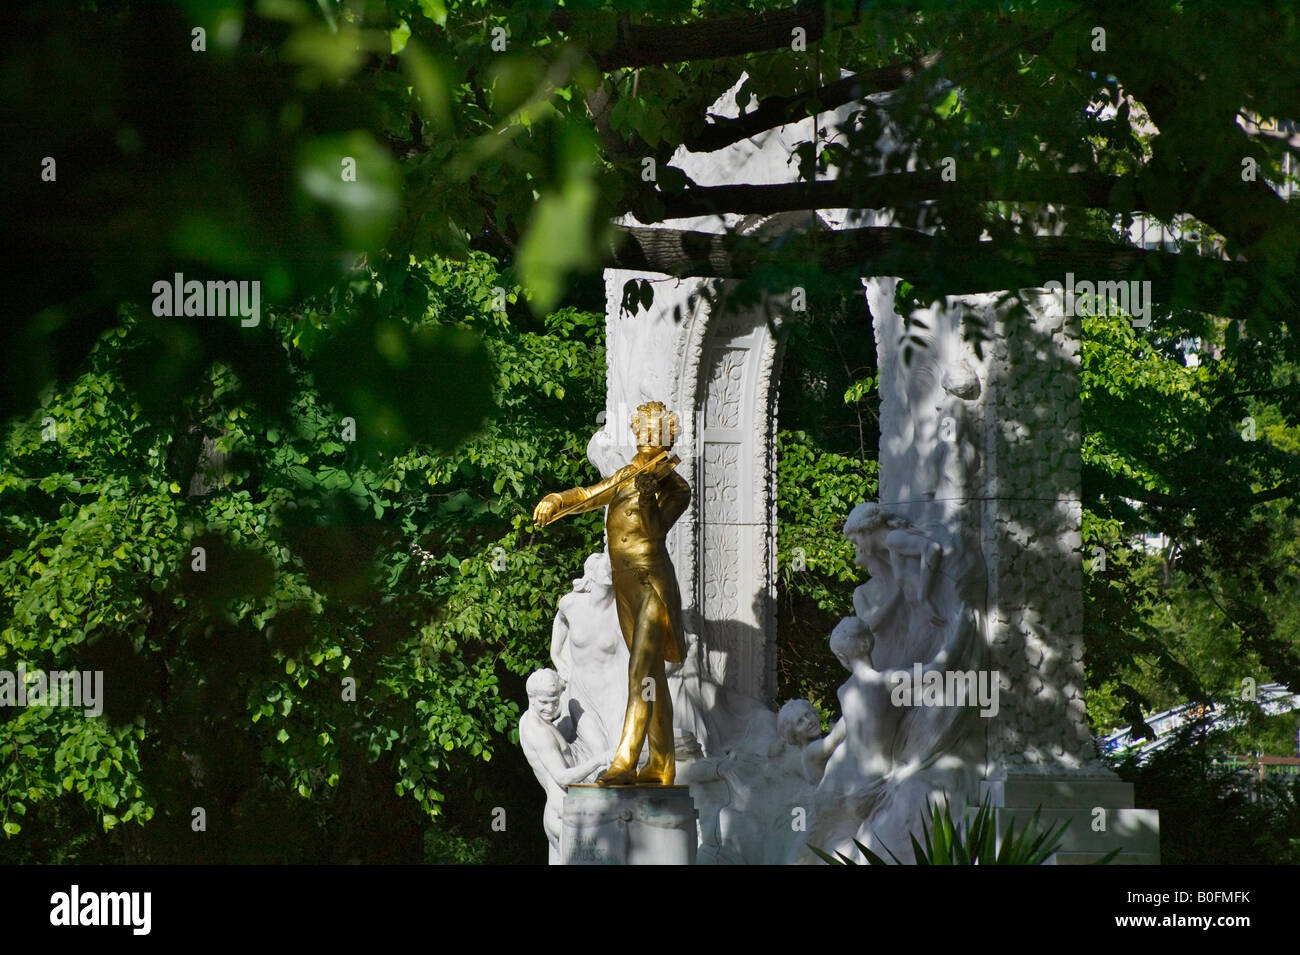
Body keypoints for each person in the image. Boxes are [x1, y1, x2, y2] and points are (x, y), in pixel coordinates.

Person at [533, 400, 690, 785]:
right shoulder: (626, 473)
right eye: (643, 430)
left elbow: (655, 532)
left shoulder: (675, 486)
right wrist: (558, 501)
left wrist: (651, 494)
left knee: (638, 671)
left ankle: (625, 760)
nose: (649, 437)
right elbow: (589, 495)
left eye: (657, 431)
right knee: (651, 674)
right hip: (624, 585)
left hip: (650, 583)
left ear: (669, 435)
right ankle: (662, 764)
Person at [519, 669, 605, 863]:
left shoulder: (528, 720)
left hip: (560, 812)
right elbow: (563, 777)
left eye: (555, 701)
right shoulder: (539, 732)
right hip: (565, 815)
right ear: (531, 697)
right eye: (544, 702)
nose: (550, 708)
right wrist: (599, 760)